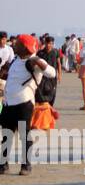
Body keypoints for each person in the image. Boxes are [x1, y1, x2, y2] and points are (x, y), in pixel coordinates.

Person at [0, 35, 54, 175]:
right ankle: (3, 165)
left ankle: (26, 165)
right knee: (7, 135)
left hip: (23, 104)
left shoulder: (34, 60)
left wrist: (39, 62)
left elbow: (52, 73)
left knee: (24, 136)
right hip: (8, 104)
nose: (15, 45)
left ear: (25, 47)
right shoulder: (16, 60)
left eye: (18, 44)